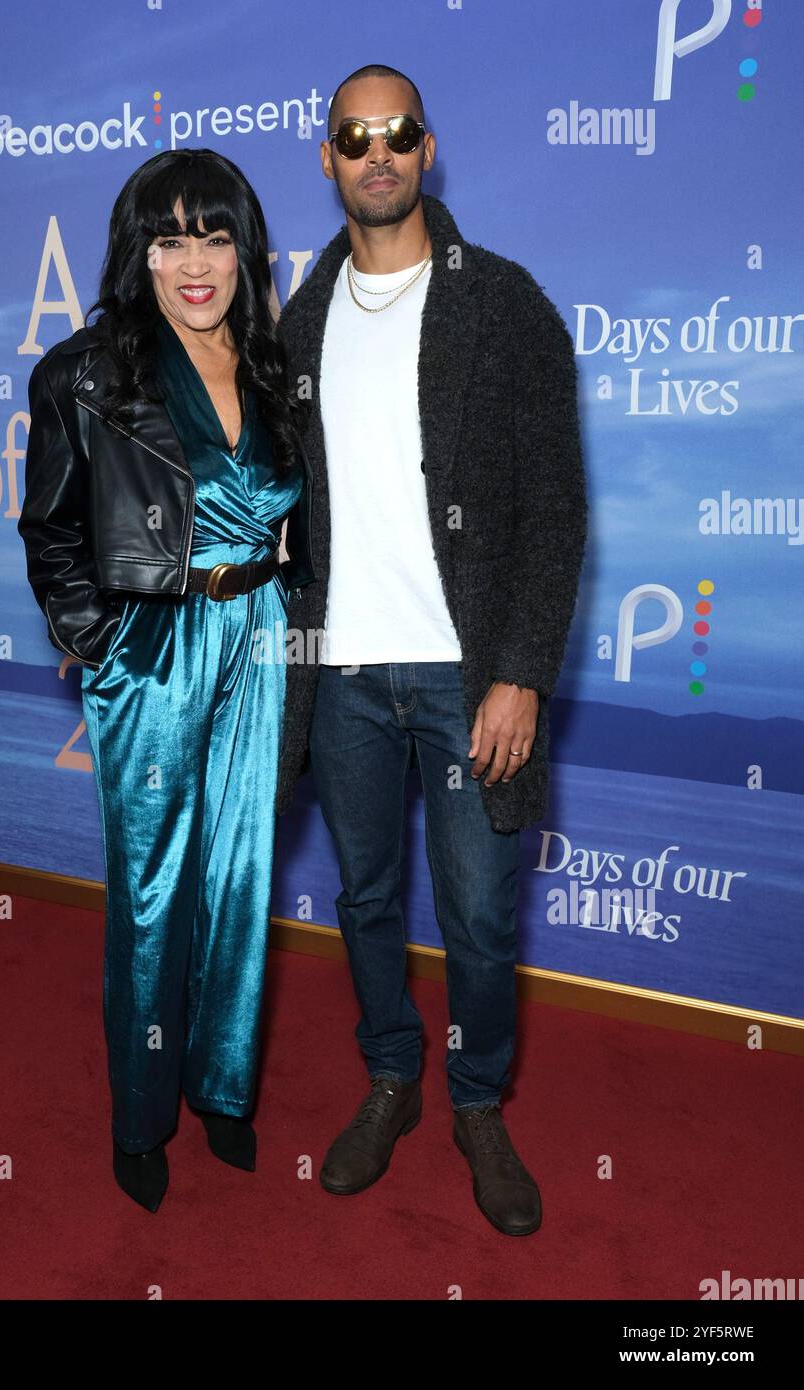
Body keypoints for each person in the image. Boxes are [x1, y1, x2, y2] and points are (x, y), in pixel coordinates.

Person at [275, 65, 587, 1236]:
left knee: (478, 916)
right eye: (353, 136)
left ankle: (473, 1101)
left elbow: (554, 508)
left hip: (466, 681)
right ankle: (390, 1078)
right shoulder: (294, 323)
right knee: (362, 900)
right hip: (341, 675)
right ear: (326, 158)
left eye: (397, 132)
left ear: (427, 147)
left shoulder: (502, 305)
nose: (377, 153)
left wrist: (520, 671)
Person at [18, 149, 314, 1213]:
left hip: (258, 634)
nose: (194, 262)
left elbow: (298, 521)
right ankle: (141, 1116)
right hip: (153, 642)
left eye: (215, 234)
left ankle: (222, 1088)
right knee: (152, 893)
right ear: (136, 251)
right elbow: (49, 528)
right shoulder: (85, 374)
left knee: (240, 877)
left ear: (245, 245)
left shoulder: (276, 365)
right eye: (169, 237)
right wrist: (98, 642)